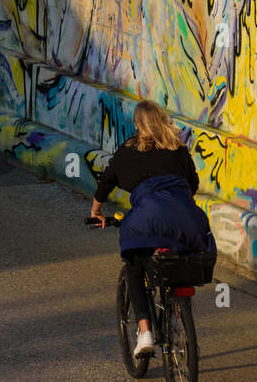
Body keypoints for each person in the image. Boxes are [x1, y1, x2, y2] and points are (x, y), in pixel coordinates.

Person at [91, 100, 214, 359]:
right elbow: (192, 183)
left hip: (147, 219)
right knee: (183, 258)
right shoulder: (178, 148)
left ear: (138, 124)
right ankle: (179, 314)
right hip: (186, 217)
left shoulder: (128, 150)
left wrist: (96, 211)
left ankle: (145, 331)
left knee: (135, 263)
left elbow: (107, 181)